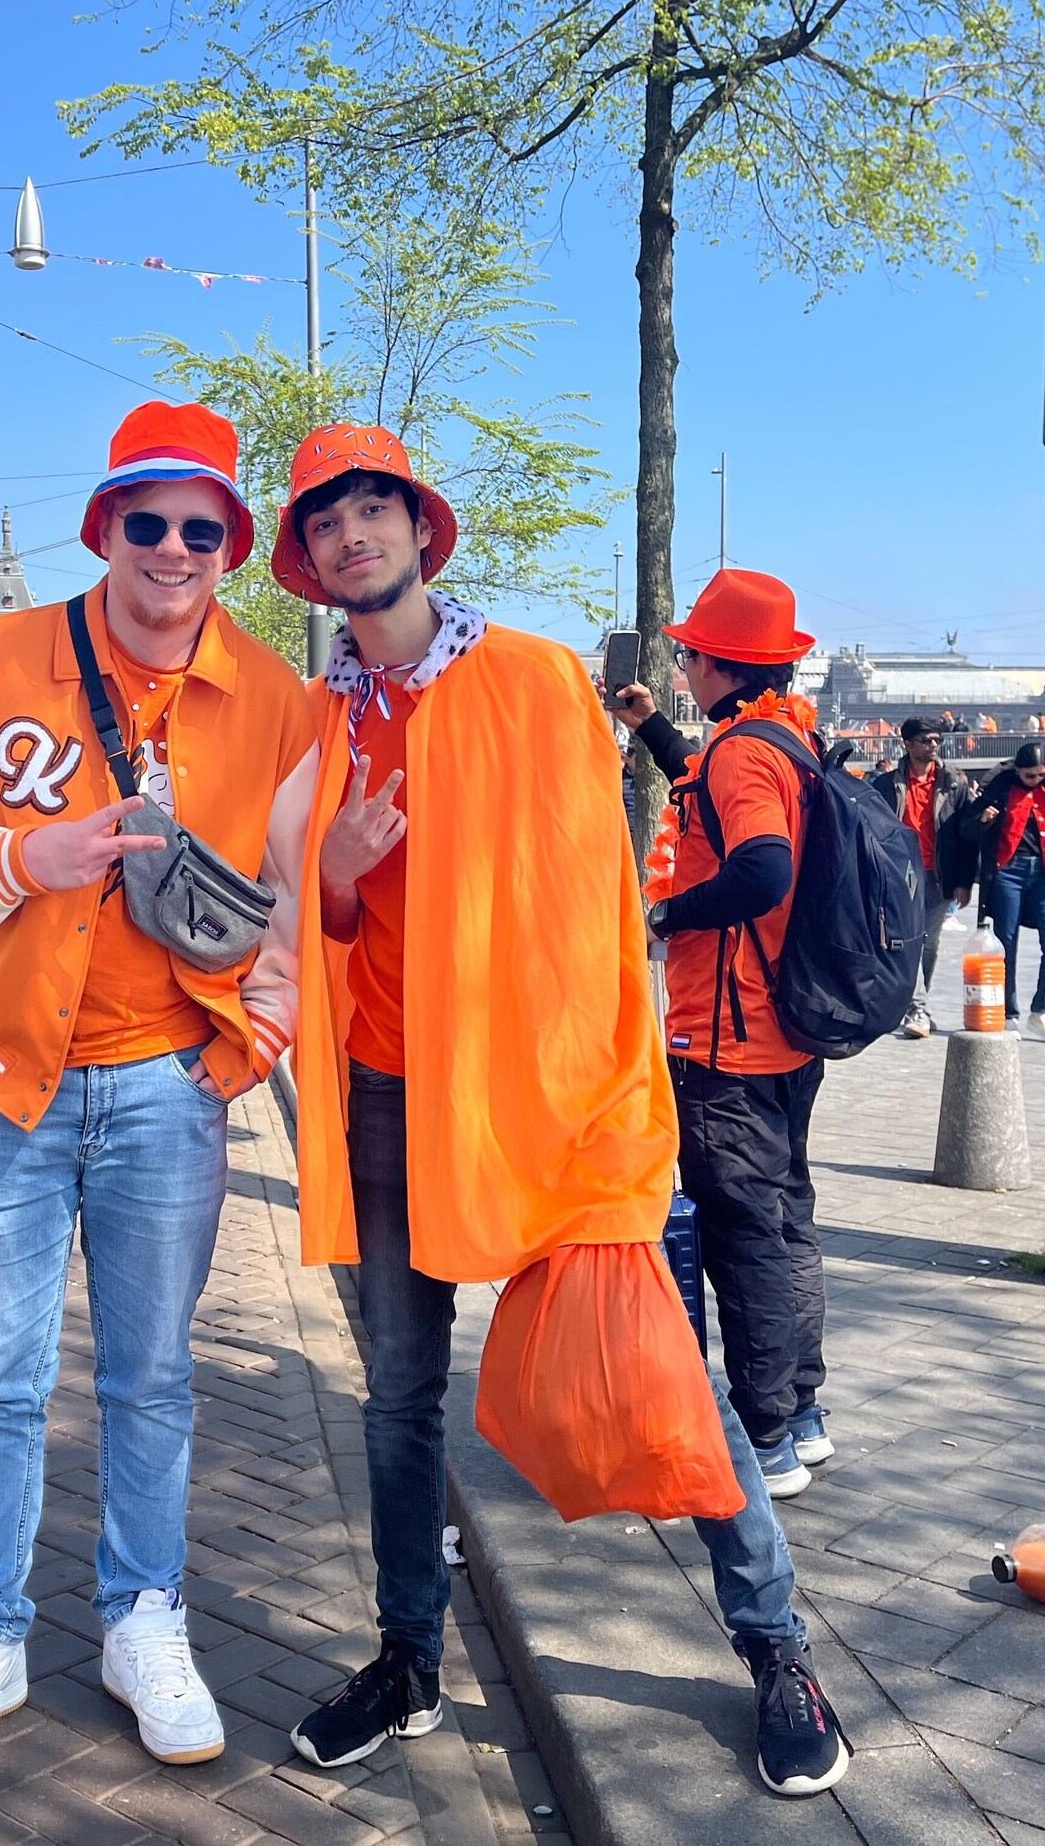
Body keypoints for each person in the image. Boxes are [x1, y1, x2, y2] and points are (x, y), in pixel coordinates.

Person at [277, 427, 849, 1796]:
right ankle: (409, 1657)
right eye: (329, 522)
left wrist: (615, 1109)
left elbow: (595, 910)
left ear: (421, 532)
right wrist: (344, 876)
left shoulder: (531, 681)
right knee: (400, 1398)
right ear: (309, 560)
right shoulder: (321, 719)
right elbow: (322, 921)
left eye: (376, 511)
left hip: (539, 1098)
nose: (355, 537)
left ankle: (776, 1648)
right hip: (385, 1093)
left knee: (668, 1377)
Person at [0, 399, 315, 1777]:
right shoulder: (3, 657)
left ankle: (144, 1618)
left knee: (153, 1377)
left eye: (201, 526)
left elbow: (289, 897)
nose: (173, 549)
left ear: (230, 545)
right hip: (5, 1077)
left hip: (165, 1085)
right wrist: (27, 861)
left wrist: (254, 1040)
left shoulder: (278, 698)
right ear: (104, 528)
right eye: (148, 521)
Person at [614, 569, 833, 1501]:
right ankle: (805, 1414)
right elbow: (707, 793)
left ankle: (767, 1436)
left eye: (689, 654)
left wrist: (666, 916)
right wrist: (651, 730)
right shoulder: (788, 735)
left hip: (728, 1038)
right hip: (788, 1028)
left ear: (712, 664)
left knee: (742, 1234)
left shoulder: (744, 754)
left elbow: (761, 869)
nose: (683, 666)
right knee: (785, 1218)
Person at [869, 719, 975, 1037]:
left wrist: (965, 881)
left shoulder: (953, 784)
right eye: (926, 740)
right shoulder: (887, 785)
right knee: (907, 941)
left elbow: (966, 833)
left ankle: (917, 1004)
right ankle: (918, 1008)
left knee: (929, 944)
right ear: (908, 744)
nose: (933, 745)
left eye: (937, 740)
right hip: (902, 873)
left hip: (939, 874)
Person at [971, 741, 1045, 1043]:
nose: (1036, 780)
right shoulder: (1000, 788)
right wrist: (983, 819)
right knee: (1007, 943)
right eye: (1030, 776)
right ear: (1017, 771)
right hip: (1008, 871)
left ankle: (1041, 1011)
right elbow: (966, 826)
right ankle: (1009, 1012)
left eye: (1041, 774)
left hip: (1044, 873)